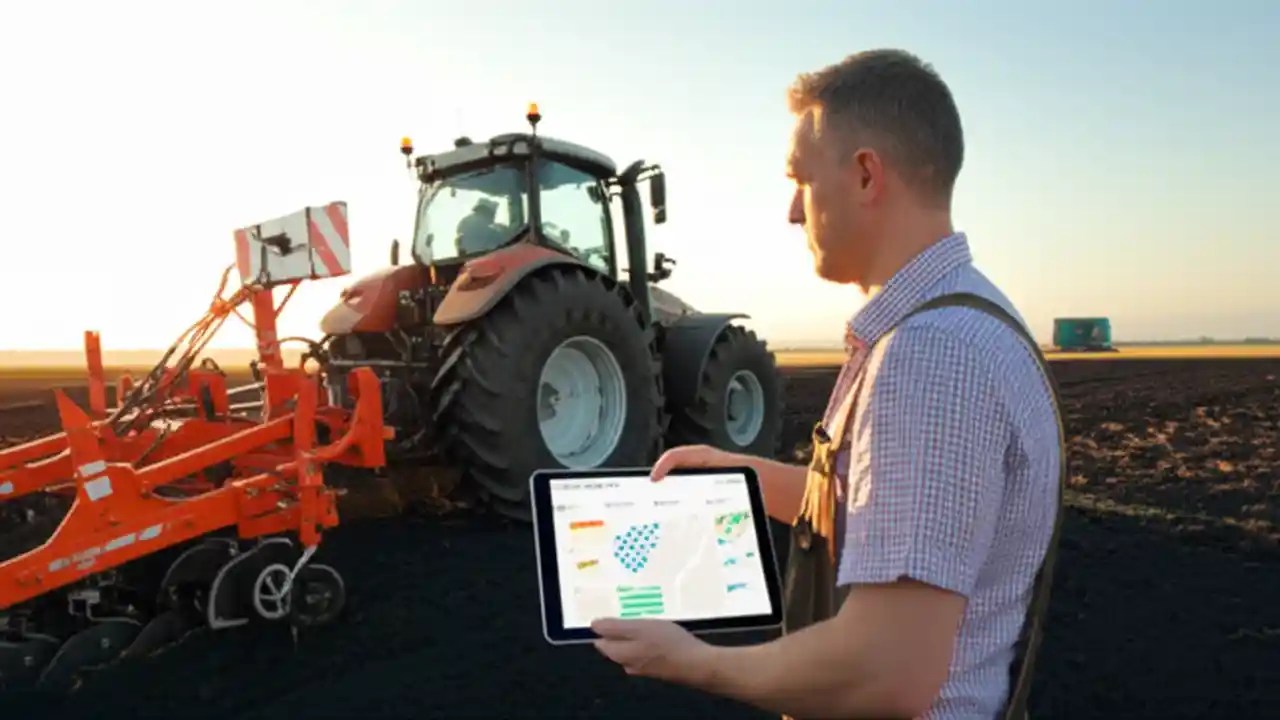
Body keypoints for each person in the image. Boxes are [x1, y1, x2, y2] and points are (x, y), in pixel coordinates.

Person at [589, 49, 1064, 720]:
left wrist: (689, 660)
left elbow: (886, 672)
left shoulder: (931, 356)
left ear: (866, 174)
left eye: (801, 180)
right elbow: (889, 515)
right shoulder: (965, 317)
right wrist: (744, 477)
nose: (792, 210)